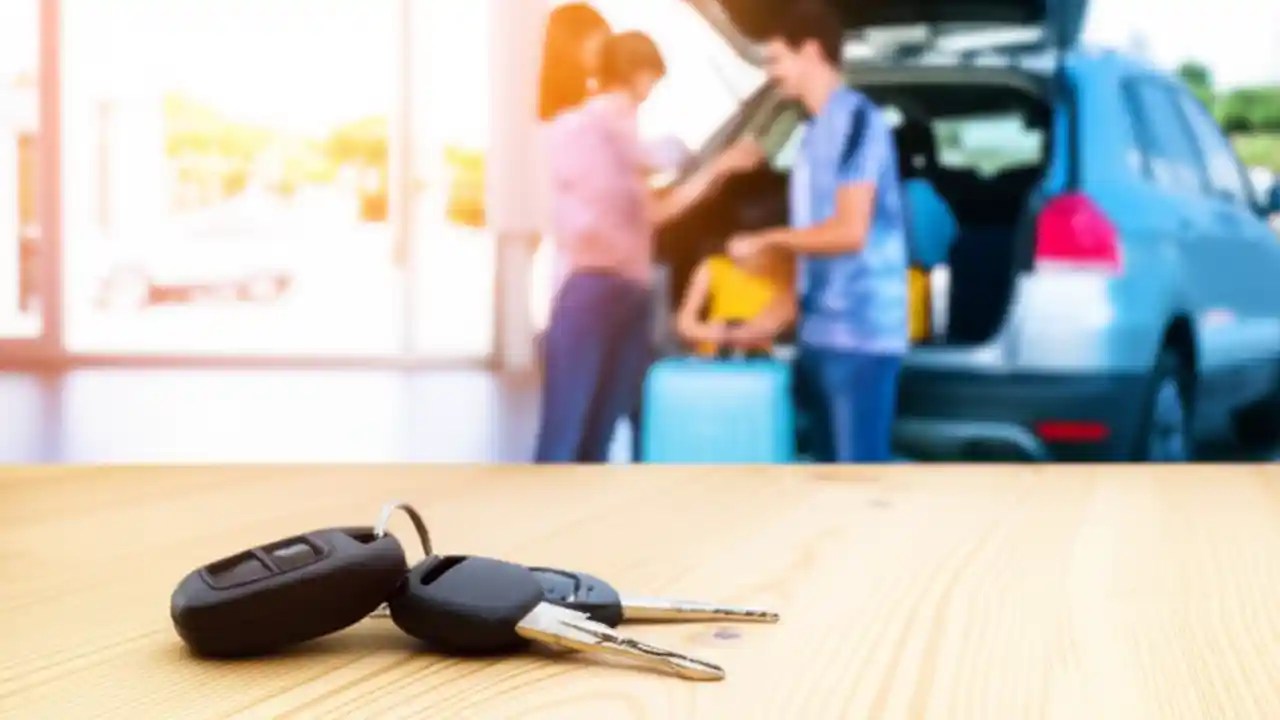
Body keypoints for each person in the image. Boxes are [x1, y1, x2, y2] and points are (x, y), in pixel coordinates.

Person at [535, 32, 762, 463]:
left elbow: (652, 211)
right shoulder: (589, 129)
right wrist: (708, 166)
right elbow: (637, 215)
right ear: (638, 77)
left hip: (625, 293)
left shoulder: (619, 135)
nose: (647, 98)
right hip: (592, 291)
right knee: (567, 436)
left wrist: (710, 167)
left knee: (595, 433)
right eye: (651, 85)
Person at [727, 2, 908, 463]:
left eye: (775, 60)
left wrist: (768, 240)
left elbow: (849, 231)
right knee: (826, 482)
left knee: (855, 478)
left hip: (862, 339)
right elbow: (813, 246)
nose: (773, 74)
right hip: (821, 336)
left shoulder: (859, 123)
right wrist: (777, 313)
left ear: (809, 52)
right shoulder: (809, 137)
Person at [676, 245, 794, 357]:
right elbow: (685, 325)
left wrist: (740, 334)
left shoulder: (783, 276)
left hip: (759, 363)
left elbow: (772, 326)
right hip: (712, 361)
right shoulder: (713, 267)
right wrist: (713, 333)